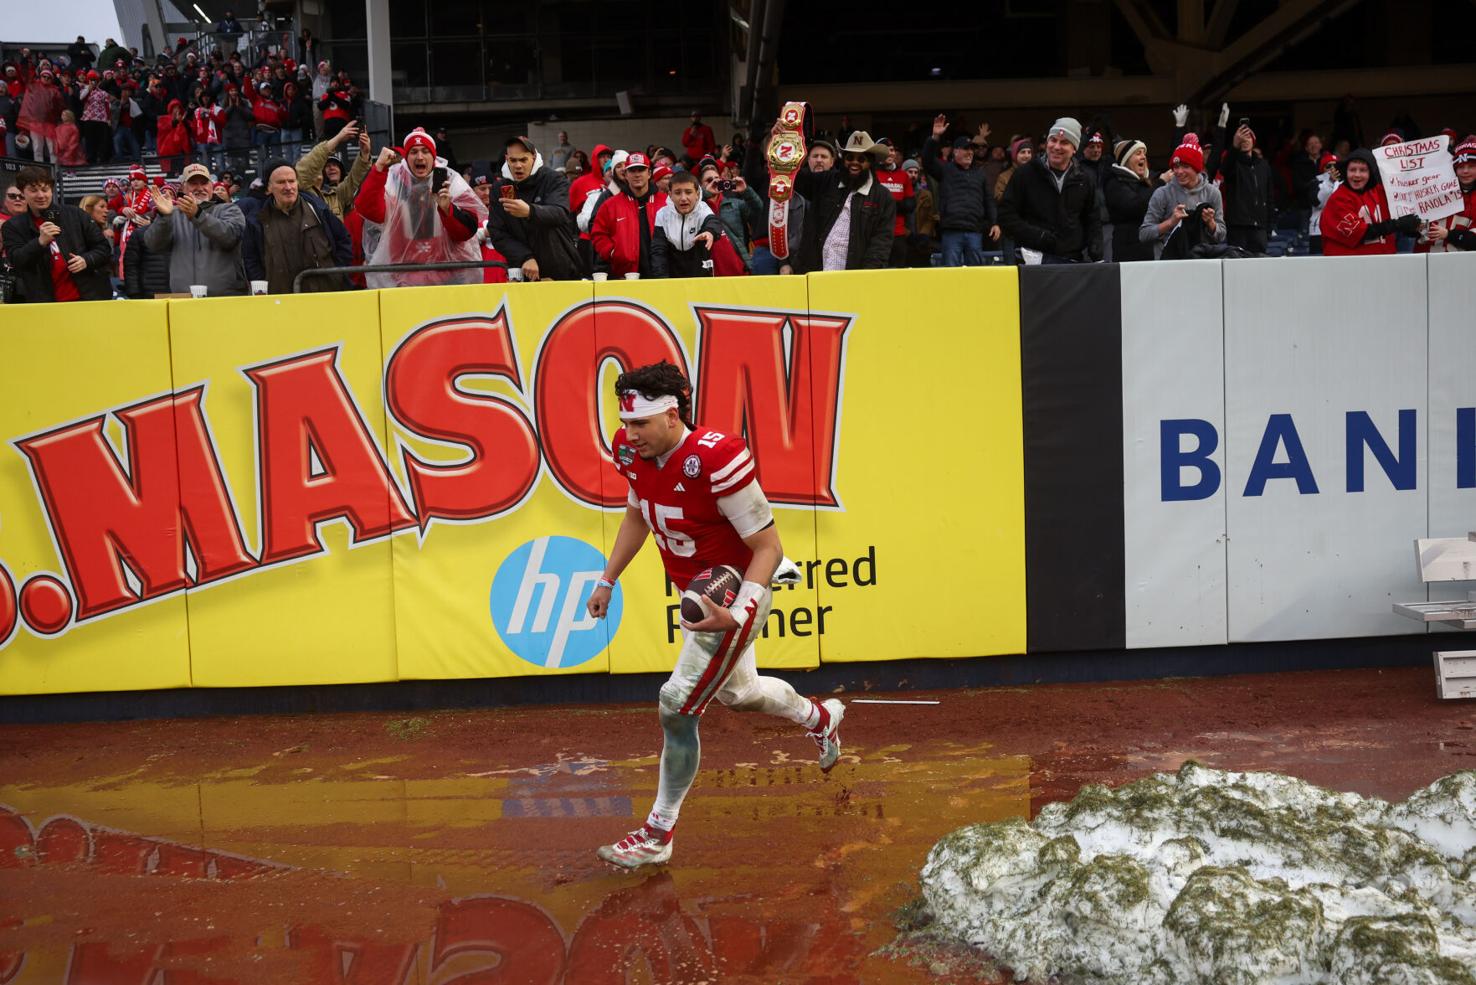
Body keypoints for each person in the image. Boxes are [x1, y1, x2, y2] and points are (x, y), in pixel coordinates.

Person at [587, 362, 844, 868]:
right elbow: (638, 513)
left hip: (737, 590)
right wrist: (607, 579)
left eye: (641, 424)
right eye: (625, 423)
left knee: (676, 704)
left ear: (672, 415)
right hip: (702, 591)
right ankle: (819, 717)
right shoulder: (631, 452)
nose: (630, 434)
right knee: (740, 694)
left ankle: (658, 833)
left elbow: (768, 547)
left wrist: (741, 612)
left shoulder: (716, 457)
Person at [354, 126, 487, 288]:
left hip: (448, 280)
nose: (420, 156)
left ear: (433, 156)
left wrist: (448, 210)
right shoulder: (393, 181)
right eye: (414, 152)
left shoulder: (451, 181)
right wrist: (379, 168)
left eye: (425, 151)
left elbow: (467, 231)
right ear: (406, 157)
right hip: (403, 281)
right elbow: (369, 211)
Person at [783, 130, 895, 274]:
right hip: (813, 273)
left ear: (870, 163)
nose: (854, 163)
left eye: (861, 159)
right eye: (850, 158)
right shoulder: (826, 181)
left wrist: (867, 276)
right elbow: (791, 176)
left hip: (852, 279)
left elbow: (881, 242)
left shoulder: (883, 197)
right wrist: (783, 138)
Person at [998, 117, 1101, 264]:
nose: (1056, 147)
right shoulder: (1025, 174)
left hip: (1072, 260)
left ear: (1074, 149)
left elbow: (1092, 218)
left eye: (1064, 142)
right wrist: (1037, 236)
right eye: (1053, 140)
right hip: (1032, 259)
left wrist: (1095, 248)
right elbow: (1006, 216)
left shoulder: (1085, 179)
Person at [2, 166, 112, 302]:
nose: (41, 195)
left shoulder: (75, 214)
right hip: (45, 303)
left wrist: (86, 260)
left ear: (51, 190)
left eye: (45, 189)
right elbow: (17, 261)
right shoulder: (13, 226)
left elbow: (104, 248)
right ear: (22, 192)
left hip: (87, 297)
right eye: (33, 190)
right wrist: (39, 243)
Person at [242, 159, 351, 293]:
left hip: (324, 295)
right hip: (280, 299)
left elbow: (343, 240)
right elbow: (250, 260)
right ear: (269, 188)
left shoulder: (318, 209)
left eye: (292, 181)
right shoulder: (256, 220)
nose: (288, 187)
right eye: (281, 182)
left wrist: (337, 274)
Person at [486, 134, 583, 282]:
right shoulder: (499, 188)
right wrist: (524, 257)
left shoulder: (554, 179)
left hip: (561, 269)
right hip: (522, 271)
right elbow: (497, 232)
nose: (518, 165)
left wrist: (530, 211)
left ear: (534, 157)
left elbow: (560, 213)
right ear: (507, 159)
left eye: (523, 160)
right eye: (513, 160)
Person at [143, 162, 248, 295]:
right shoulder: (172, 215)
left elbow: (230, 237)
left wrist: (197, 215)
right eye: (193, 183)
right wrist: (164, 217)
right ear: (183, 188)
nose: (200, 188)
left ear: (211, 186)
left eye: (204, 183)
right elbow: (153, 244)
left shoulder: (229, 209)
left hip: (223, 297)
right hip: (183, 298)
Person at [922, 114, 999, 267]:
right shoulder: (945, 170)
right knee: (951, 272)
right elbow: (927, 161)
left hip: (974, 230)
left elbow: (988, 200)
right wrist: (935, 137)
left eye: (971, 150)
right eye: (965, 149)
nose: (970, 152)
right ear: (955, 152)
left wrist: (995, 223)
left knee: (975, 273)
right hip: (951, 230)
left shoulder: (980, 174)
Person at [1139, 134, 1226, 259]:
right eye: (1176, 166)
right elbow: (1144, 234)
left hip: (1202, 262)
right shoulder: (1162, 193)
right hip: (1168, 262)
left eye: (1185, 166)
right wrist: (1170, 222)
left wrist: (1210, 223)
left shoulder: (1213, 193)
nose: (1179, 172)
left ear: (1197, 168)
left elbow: (1221, 236)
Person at [1319, 148, 1419, 257]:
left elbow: (1397, 217)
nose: (1357, 174)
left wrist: (1412, 226)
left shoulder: (1380, 192)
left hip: (1384, 261)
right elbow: (1361, 233)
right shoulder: (1338, 199)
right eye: (1352, 170)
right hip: (1351, 264)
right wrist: (1397, 224)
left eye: (1363, 170)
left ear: (1371, 172)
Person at [650, 170, 747, 278]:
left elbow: (713, 222)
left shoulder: (703, 209)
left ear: (697, 194)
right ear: (670, 194)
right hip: (672, 276)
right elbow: (658, 250)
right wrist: (661, 279)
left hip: (700, 275)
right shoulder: (662, 214)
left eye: (688, 192)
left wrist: (710, 232)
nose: (683, 198)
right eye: (677, 193)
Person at [591, 151, 664, 278]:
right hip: (624, 275)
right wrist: (613, 252)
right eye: (632, 170)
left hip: (661, 274)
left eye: (641, 170)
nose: (637, 174)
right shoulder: (610, 205)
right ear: (625, 175)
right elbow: (598, 233)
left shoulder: (665, 202)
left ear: (649, 173)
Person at [1218, 123, 1274, 255]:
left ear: (1253, 141)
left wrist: (1269, 228)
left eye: (1248, 137)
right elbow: (1224, 169)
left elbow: (1269, 197)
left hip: (1259, 227)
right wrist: (1234, 146)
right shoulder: (1233, 162)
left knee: (1258, 263)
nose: (1245, 140)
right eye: (1241, 138)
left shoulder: (1263, 165)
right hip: (1238, 228)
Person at [295, 122, 371, 218]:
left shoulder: (336, 195)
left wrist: (365, 153)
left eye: (335, 165)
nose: (331, 168)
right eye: (326, 165)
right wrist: (338, 138)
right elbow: (304, 169)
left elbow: (354, 180)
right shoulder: (300, 195)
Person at [1103, 139, 1159, 262]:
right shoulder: (1115, 183)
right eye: (1138, 153)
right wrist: (1160, 183)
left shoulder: (1147, 182)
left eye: (1144, 153)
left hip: (1148, 247)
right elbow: (1136, 207)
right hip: (1127, 250)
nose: (1143, 157)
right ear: (1126, 159)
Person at [1419, 136, 1475, 254]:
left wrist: (1448, 235)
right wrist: (1415, 226)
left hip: (1462, 262)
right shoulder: (1435, 190)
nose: (1465, 171)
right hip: (1426, 260)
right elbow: (1417, 231)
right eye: (1461, 167)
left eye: (1471, 166)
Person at [874, 140, 917, 267]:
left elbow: (910, 205)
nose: (889, 153)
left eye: (892, 150)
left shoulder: (903, 175)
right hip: (877, 233)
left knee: (899, 272)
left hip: (899, 233)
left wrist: (887, 204)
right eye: (885, 150)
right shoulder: (873, 174)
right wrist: (898, 204)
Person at [1307, 152, 1340, 255]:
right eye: (1329, 166)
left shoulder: (1344, 183)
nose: (1332, 168)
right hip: (1318, 231)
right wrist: (1330, 182)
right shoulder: (1315, 182)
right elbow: (1318, 202)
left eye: (1335, 165)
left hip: (1339, 230)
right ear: (1323, 168)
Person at [156, 98, 192, 174]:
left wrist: (183, 120)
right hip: (169, 150)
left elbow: (190, 128)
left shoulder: (183, 120)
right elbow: (164, 127)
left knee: (182, 171)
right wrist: (176, 121)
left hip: (181, 150)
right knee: (171, 172)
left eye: (178, 108)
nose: (176, 110)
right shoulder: (163, 119)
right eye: (174, 108)